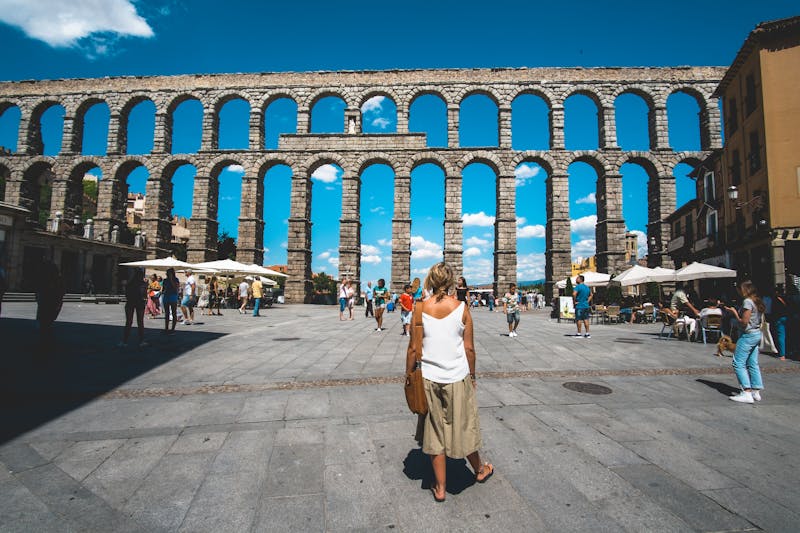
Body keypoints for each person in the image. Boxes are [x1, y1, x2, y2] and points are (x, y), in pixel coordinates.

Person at [407, 262, 493, 502]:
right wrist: (473, 376)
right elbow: (469, 348)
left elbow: (414, 348)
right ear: (451, 281)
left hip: (429, 378)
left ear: (430, 281)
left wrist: (408, 376)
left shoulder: (420, 308)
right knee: (464, 425)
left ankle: (441, 487)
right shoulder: (462, 308)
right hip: (458, 377)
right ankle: (479, 469)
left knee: (434, 431)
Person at [723, 281, 765, 404]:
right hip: (756, 333)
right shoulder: (757, 301)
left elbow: (744, 322)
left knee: (738, 363)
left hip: (747, 335)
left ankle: (746, 391)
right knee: (752, 362)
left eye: (739, 289)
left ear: (744, 290)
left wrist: (734, 313)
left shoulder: (747, 302)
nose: (737, 291)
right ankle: (755, 390)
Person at [36, 259, 65, 345]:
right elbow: (62, 291)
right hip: (52, 303)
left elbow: (39, 291)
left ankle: (45, 340)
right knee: (48, 322)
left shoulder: (45, 278)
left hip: (46, 303)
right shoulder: (57, 278)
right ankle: (47, 340)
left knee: (44, 323)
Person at [120, 268, 148, 347]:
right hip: (140, 303)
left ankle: (124, 341)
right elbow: (144, 295)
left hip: (130, 303)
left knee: (128, 322)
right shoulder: (143, 284)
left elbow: (126, 294)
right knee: (140, 322)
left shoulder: (129, 283)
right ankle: (141, 341)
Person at [769, 286, 788, 361]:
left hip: (778, 319)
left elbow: (773, 310)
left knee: (780, 336)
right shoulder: (787, 298)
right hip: (787, 317)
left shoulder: (775, 300)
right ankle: (788, 351)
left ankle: (782, 354)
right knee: (787, 335)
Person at [162, 268, 180, 334]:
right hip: (166, 295)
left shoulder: (176, 280)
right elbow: (163, 289)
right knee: (166, 313)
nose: (167, 274)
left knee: (173, 312)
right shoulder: (165, 280)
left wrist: (172, 279)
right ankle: (166, 328)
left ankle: (173, 329)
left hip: (173, 296)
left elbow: (176, 287)